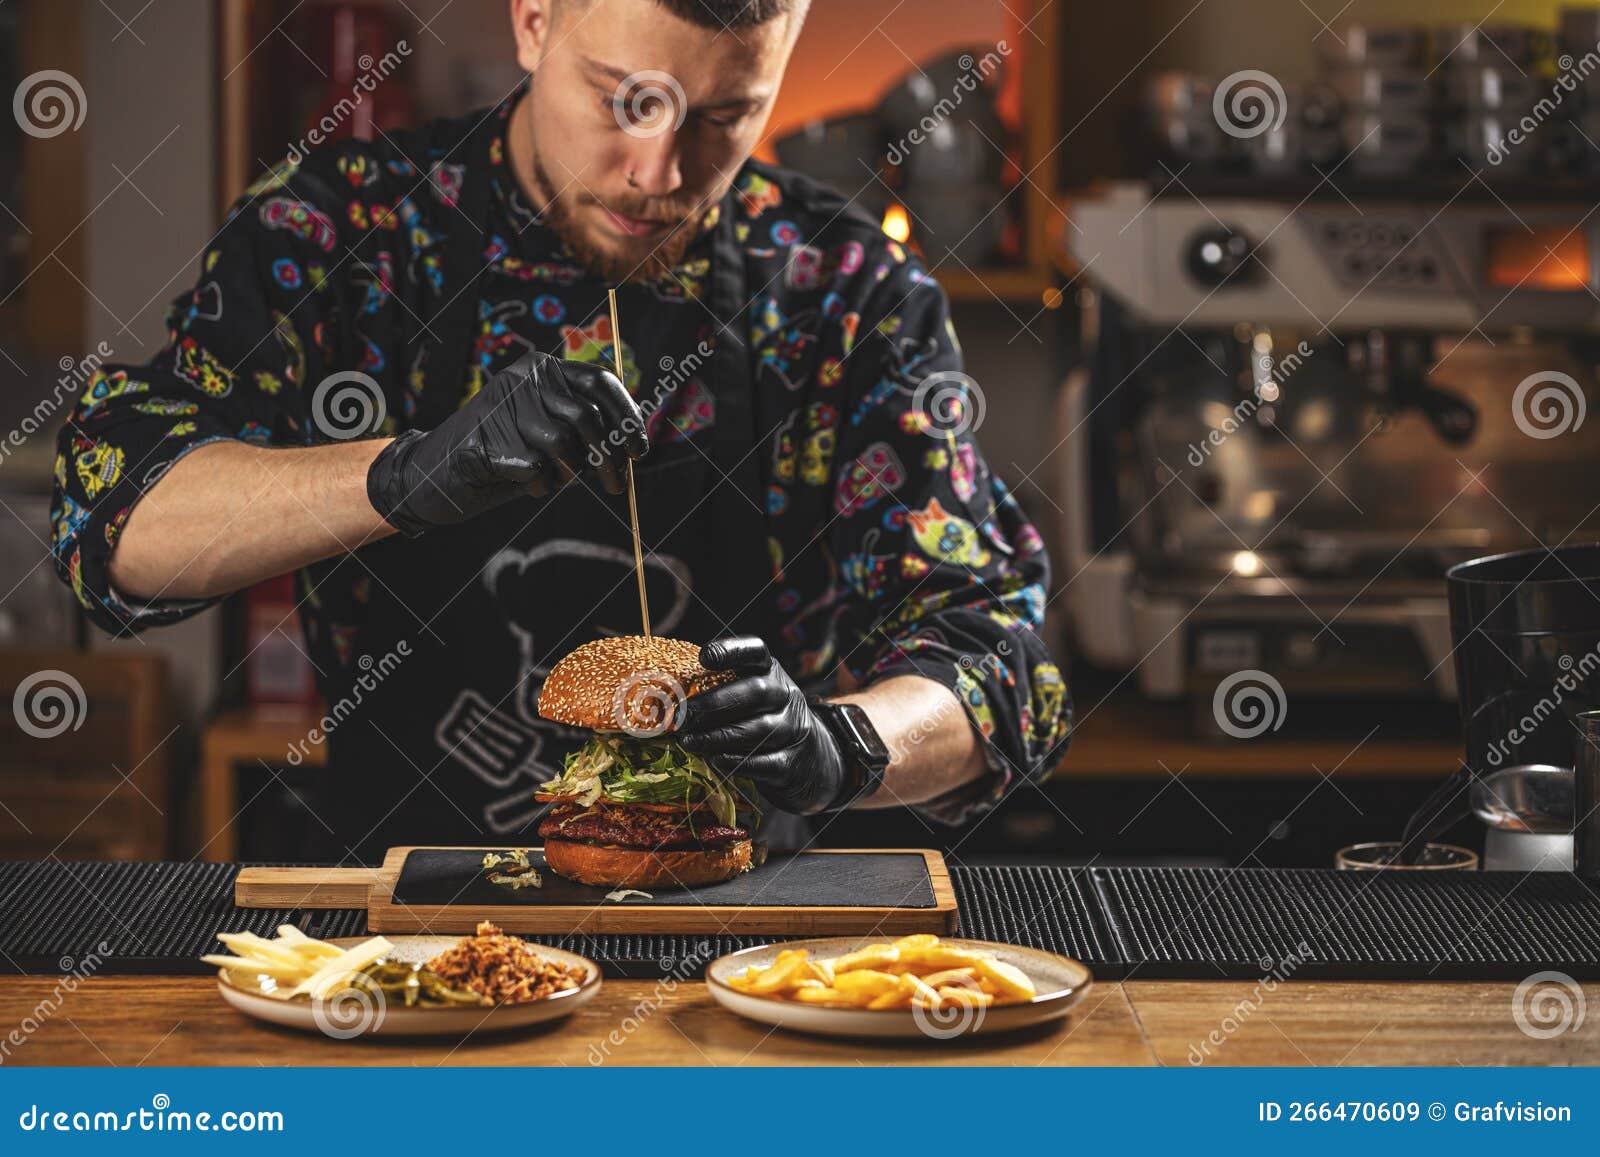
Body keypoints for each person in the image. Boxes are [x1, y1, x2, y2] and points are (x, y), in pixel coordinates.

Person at [49, 0, 1071, 862]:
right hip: (410, 938)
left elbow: (997, 656)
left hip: (748, 950)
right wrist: (400, 476)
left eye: (725, 114)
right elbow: (117, 510)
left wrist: (844, 743)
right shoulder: (339, 231)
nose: (658, 172)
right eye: (625, 101)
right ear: (534, 22)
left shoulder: (846, 289)